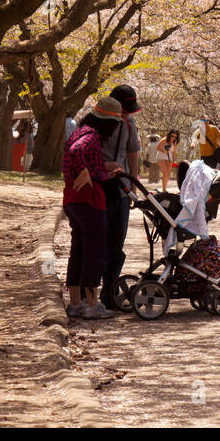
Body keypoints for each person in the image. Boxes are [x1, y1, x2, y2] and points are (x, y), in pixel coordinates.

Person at [63, 99, 123, 320]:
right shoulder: (92, 136)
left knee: (78, 250)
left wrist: (102, 168)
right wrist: (85, 172)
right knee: (94, 251)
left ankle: (75, 302)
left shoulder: (80, 131)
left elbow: (78, 153)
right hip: (89, 200)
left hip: (72, 199)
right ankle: (92, 303)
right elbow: (77, 152)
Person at [99, 85, 142, 309]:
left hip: (122, 188)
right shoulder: (96, 120)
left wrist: (134, 184)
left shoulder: (129, 122)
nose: (126, 114)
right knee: (99, 240)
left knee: (116, 243)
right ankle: (90, 292)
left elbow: (133, 152)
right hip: (99, 187)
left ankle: (109, 291)